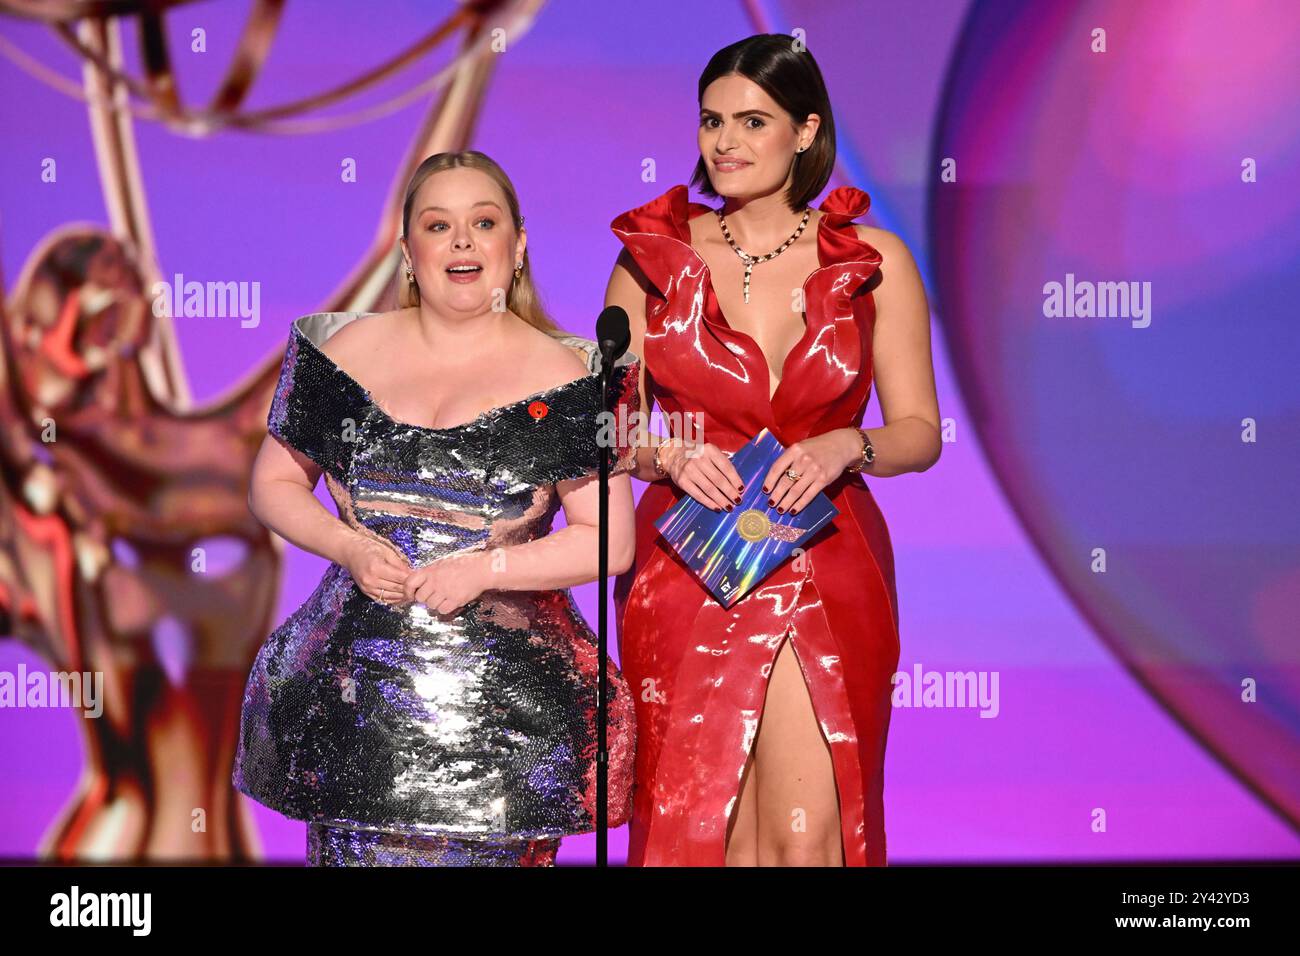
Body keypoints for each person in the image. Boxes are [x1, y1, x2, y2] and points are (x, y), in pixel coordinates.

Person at [232, 150, 641, 866]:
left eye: (483, 223)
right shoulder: (346, 355)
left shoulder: (569, 376)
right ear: (407, 252)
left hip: (506, 738)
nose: (461, 241)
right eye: (438, 224)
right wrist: (349, 548)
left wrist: (488, 568)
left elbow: (608, 540)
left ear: (517, 247)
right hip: (358, 719)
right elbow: (273, 484)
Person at [605, 34, 941, 866]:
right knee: (702, 823)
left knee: (812, 829)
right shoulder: (651, 261)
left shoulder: (874, 263)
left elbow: (920, 433)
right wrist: (669, 456)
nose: (724, 142)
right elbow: (608, 428)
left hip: (827, 552)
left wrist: (846, 445)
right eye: (712, 121)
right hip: (689, 555)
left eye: (752, 121)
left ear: (805, 131)